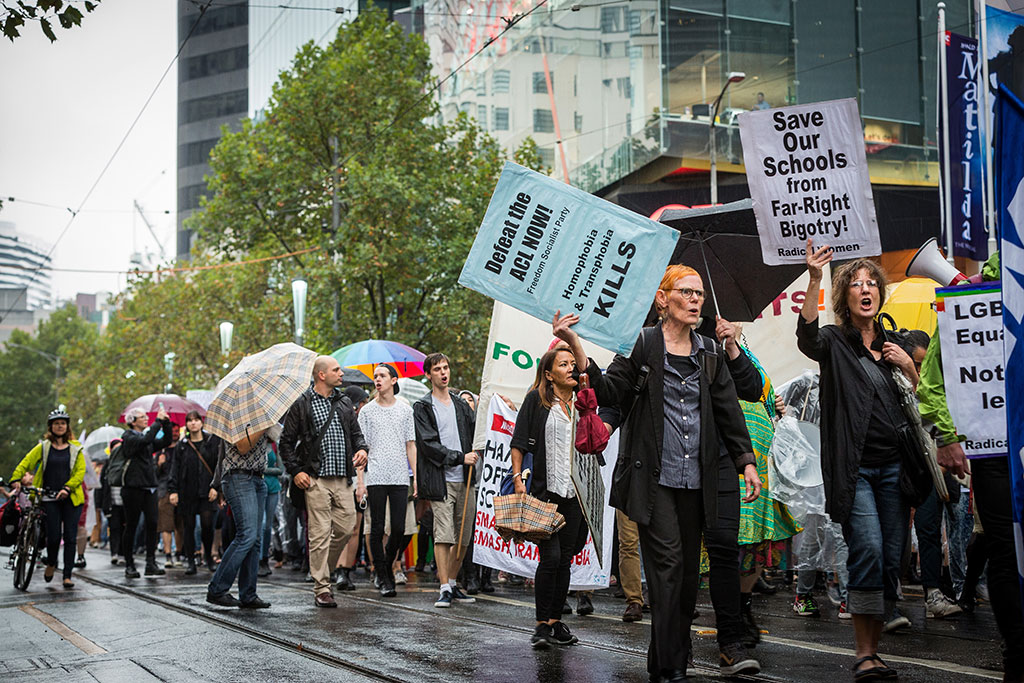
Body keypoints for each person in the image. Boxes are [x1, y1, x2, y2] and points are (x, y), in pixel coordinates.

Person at [578, 263, 763, 681]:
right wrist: (580, 351)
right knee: (668, 570)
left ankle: (662, 661)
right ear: (663, 299)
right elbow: (611, 391)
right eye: (687, 292)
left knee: (683, 582)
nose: (696, 300)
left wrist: (745, 462)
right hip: (653, 479)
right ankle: (671, 671)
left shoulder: (710, 352)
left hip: (698, 482)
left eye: (699, 294)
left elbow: (729, 410)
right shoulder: (642, 345)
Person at [797, 239, 921, 680]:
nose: (866, 289)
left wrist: (908, 365)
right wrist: (815, 277)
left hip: (897, 469)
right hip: (857, 470)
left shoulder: (894, 344)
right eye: (857, 284)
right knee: (866, 546)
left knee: (891, 558)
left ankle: (875, 645)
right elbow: (807, 337)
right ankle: (865, 653)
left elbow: (916, 403)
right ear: (845, 297)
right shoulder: (834, 342)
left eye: (873, 283)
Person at [916, 252, 1022, 681]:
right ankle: (1017, 650)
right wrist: (947, 435)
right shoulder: (971, 297)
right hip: (996, 449)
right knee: (1005, 548)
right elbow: (933, 379)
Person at [510, 342, 600, 648]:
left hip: (575, 493)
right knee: (551, 557)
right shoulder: (536, 400)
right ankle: (541, 626)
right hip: (545, 490)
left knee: (566, 558)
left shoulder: (581, 403)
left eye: (572, 363)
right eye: (563, 364)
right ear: (549, 374)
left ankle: (555, 622)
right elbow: (519, 442)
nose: (571, 368)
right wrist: (518, 479)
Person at [280, 355, 368, 608]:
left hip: (343, 477)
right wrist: (295, 471)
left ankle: (323, 572)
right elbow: (286, 442)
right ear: (321, 375)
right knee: (318, 534)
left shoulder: (343, 402)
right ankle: (322, 588)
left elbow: (356, 434)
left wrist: (361, 449)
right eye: (336, 370)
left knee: (346, 527)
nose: (341, 374)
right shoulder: (302, 403)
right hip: (316, 479)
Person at [413, 352, 479, 608]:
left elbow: (476, 432)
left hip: (466, 479)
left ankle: (453, 582)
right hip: (440, 480)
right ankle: (443, 587)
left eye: (446, 367)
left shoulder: (461, 405)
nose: (444, 372)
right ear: (428, 374)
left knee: (463, 535)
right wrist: (459, 458)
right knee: (444, 534)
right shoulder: (422, 407)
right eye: (438, 369)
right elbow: (427, 444)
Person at [9, 408, 87, 589]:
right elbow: (26, 462)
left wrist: (68, 488)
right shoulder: (43, 447)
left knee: (70, 536)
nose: (59, 426)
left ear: (67, 426)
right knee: (53, 537)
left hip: (71, 498)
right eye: (56, 423)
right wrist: (15, 478)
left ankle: (67, 575)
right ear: (51, 427)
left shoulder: (76, 448)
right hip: (48, 497)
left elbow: (80, 472)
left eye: (63, 423)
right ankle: (51, 562)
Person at [358, 363, 417, 597]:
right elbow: (361, 449)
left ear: (394, 380)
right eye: (375, 376)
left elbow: (411, 445)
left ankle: (386, 567)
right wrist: (360, 481)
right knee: (377, 527)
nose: (377, 380)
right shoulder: (367, 412)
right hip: (376, 475)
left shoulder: (405, 410)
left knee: (400, 528)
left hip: (400, 476)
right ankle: (383, 576)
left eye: (382, 375)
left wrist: (417, 477)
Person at [205, 426, 275, 609]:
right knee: (247, 535)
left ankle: (248, 594)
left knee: (255, 540)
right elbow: (242, 447)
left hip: (258, 479)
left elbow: (278, 437)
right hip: (238, 477)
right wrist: (263, 426)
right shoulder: (237, 416)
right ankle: (217, 589)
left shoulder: (261, 416)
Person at [120, 406, 173, 578]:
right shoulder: (128, 437)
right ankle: (129, 564)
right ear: (132, 422)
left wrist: (166, 423)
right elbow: (146, 440)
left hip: (150, 487)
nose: (145, 419)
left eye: (145, 417)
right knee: (132, 525)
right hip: (133, 488)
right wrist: (157, 422)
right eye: (142, 417)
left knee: (152, 523)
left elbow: (165, 441)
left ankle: (151, 562)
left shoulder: (146, 438)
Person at [169, 411, 221, 575]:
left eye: (196, 420)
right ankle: (191, 561)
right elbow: (175, 469)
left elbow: (218, 466)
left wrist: (216, 487)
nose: (193, 423)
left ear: (201, 422)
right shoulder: (182, 445)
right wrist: (173, 490)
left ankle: (208, 557)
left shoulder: (211, 442)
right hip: (187, 491)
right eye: (190, 420)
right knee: (188, 526)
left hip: (207, 490)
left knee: (207, 525)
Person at [259, 437, 284, 577]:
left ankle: (264, 559)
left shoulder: (274, 445)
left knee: (268, 526)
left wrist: (264, 470)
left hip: (273, 488)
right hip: (258, 487)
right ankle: (257, 559)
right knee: (261, 524)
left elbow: (280, 469)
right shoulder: (256, 443)